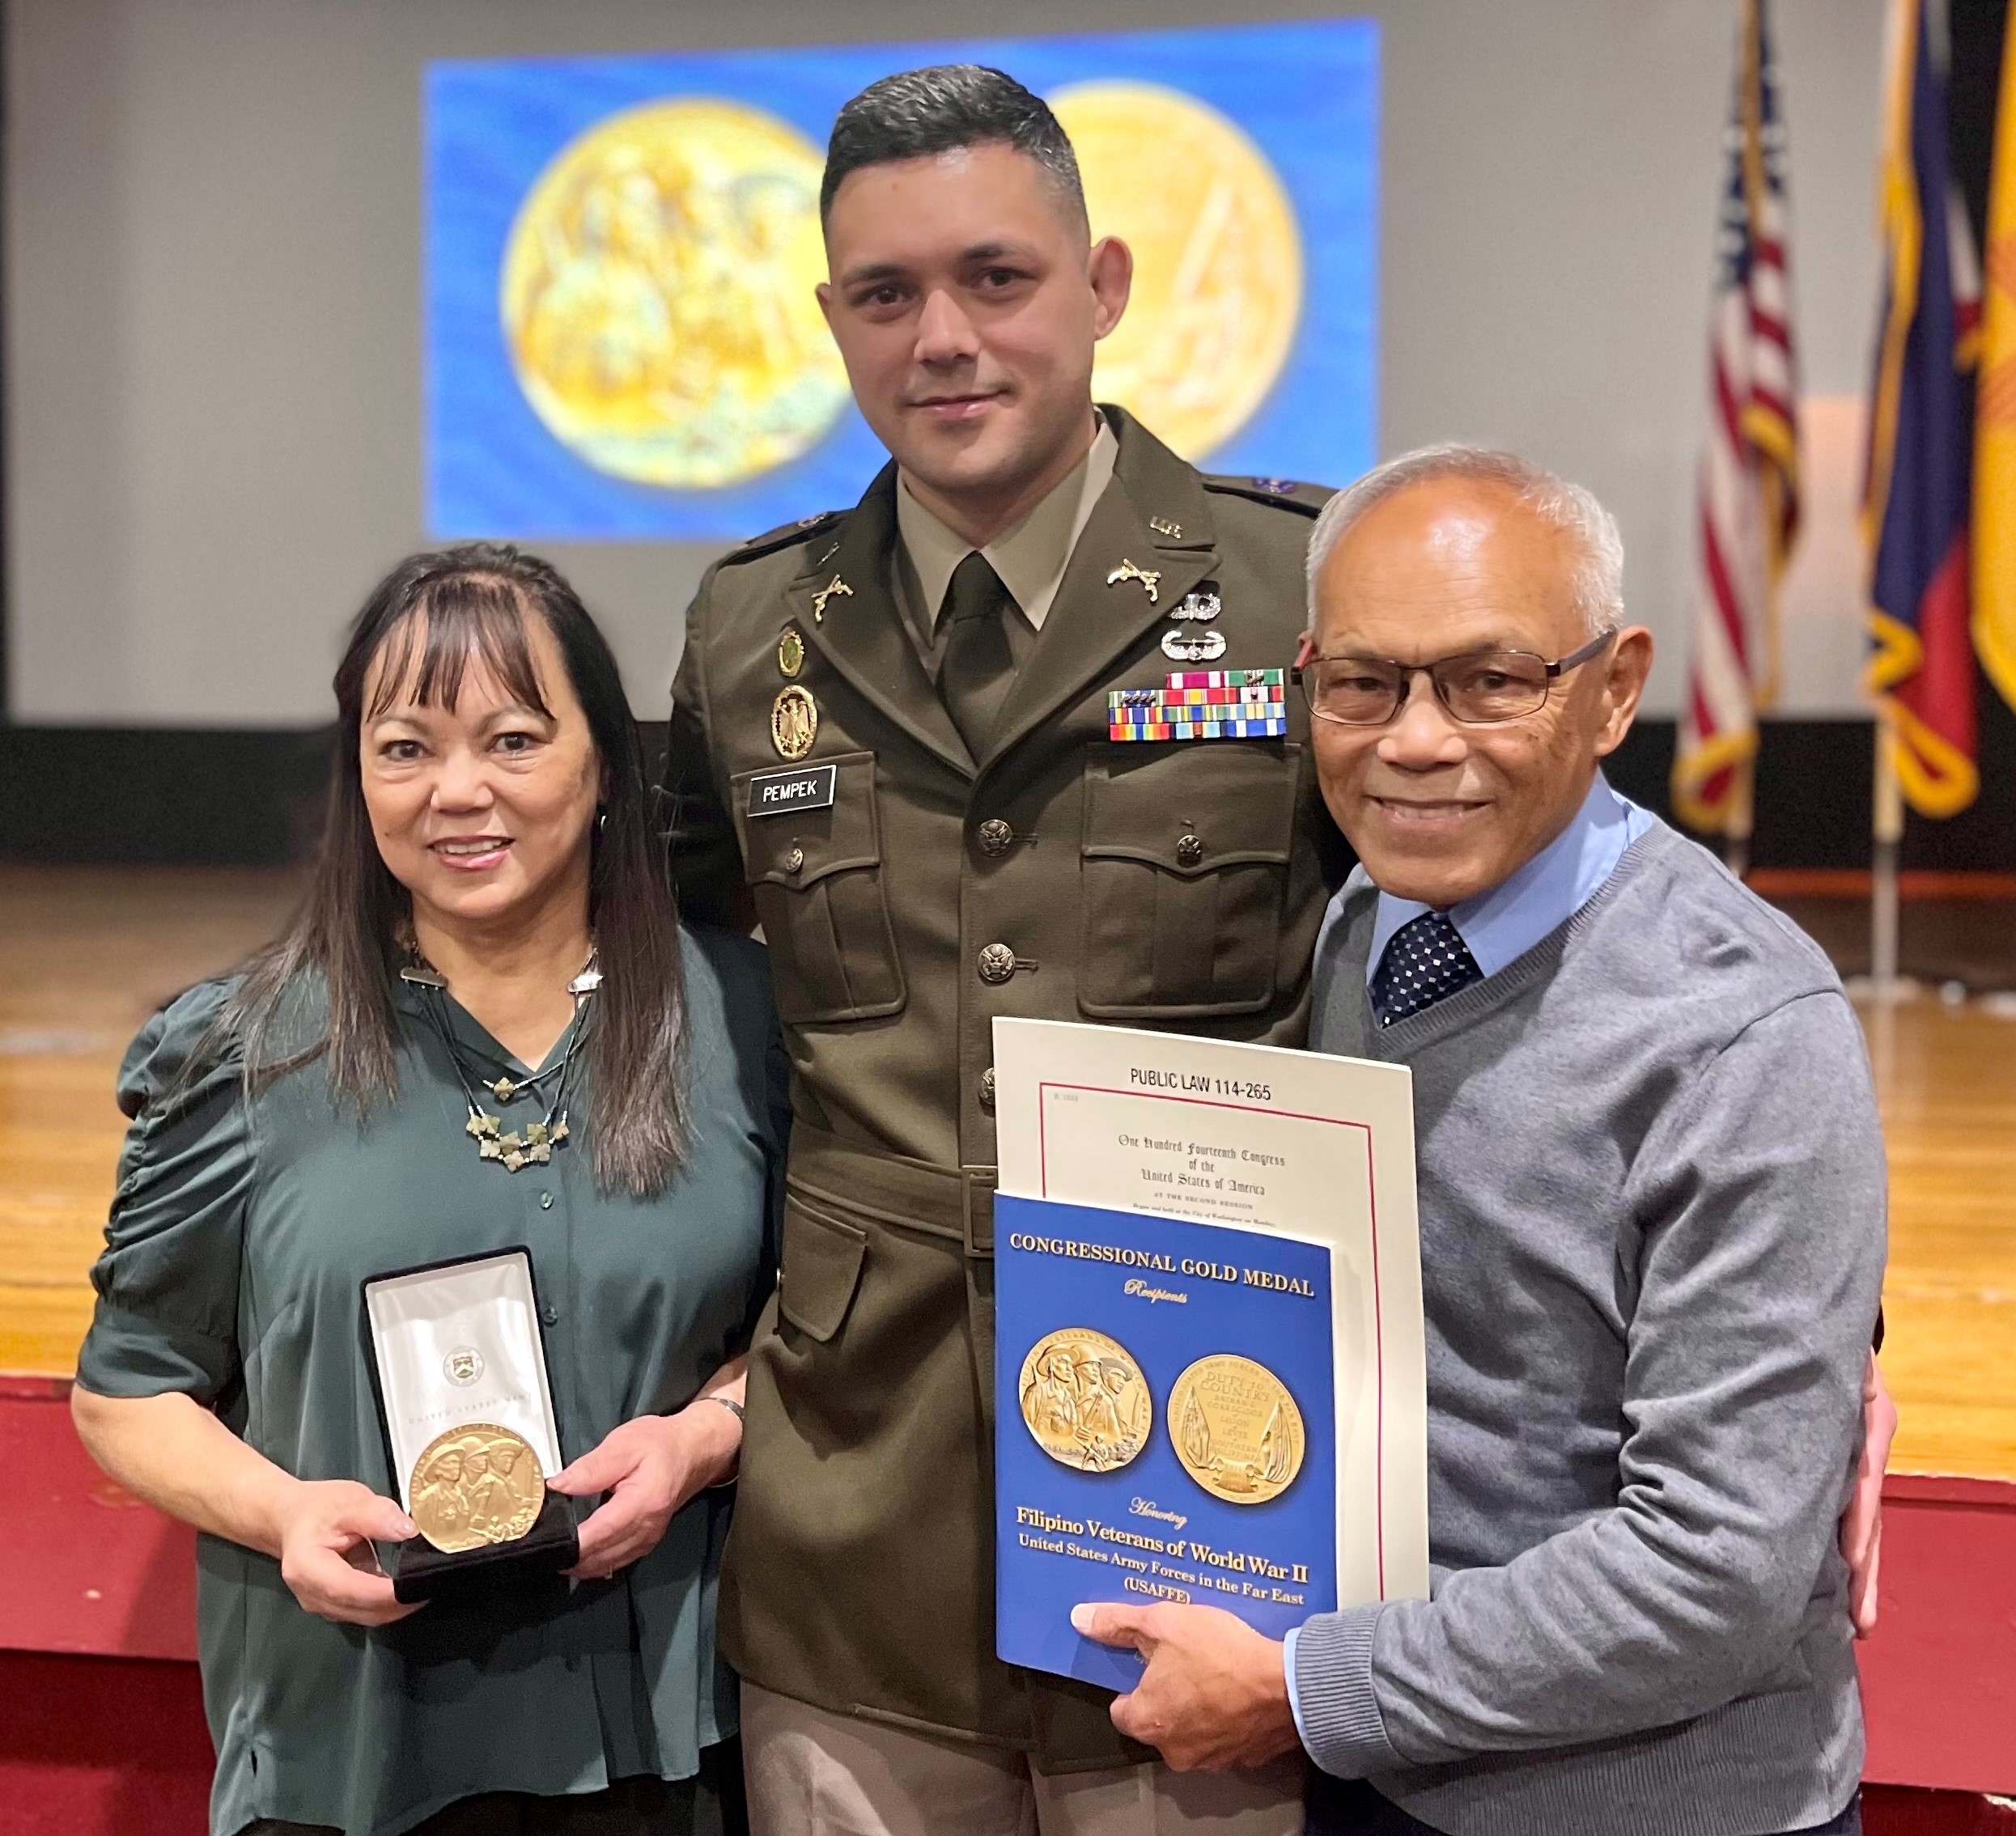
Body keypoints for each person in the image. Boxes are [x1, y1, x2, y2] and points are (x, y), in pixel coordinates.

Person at [664, 62, 1335, 1836]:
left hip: (1220, 1524)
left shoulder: (1302, 595)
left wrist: (1821, 1330)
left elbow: (1538, 958)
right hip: (854, 1544)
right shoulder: (749, 636)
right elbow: (627, 984)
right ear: (830, 321)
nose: (941, 337)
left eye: (996, 277)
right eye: (885, 295)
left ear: (1103, 287)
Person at [1071, 447, 1889, 1835]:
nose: (1417, 739)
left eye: (1494, 681)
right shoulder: (1365, 927)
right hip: (1386, 1770)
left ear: (1616, 686)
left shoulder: (1748, 1027)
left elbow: (1712, 1573)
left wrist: (1309, 1687)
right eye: (1367, 682)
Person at [71, 545, 784, 1836]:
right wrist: (283, 1512)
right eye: (406, 747)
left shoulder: (741, 1021)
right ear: (360, 777)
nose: (460, 790)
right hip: (355, 1753)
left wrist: (702, 1437)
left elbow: (808, 1330)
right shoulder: (242, 1046)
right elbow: (128, 1389)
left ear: (607, 769)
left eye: (514, 737)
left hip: (672, 1748)